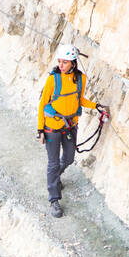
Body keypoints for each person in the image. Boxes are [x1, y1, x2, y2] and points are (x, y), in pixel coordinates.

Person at [36, 44, 100, 217]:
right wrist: (40, 129)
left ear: (73, 63)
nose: (61, 65)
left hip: (70, 125)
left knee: (69, 158)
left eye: (65, 62)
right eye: (60, 62)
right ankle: (54, 200)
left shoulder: (81, 79)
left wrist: (96, 106)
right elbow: (43, 104)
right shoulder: (53, 79)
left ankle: (55, 178)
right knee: (53, 163)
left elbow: (80, 99)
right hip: (52, 127)